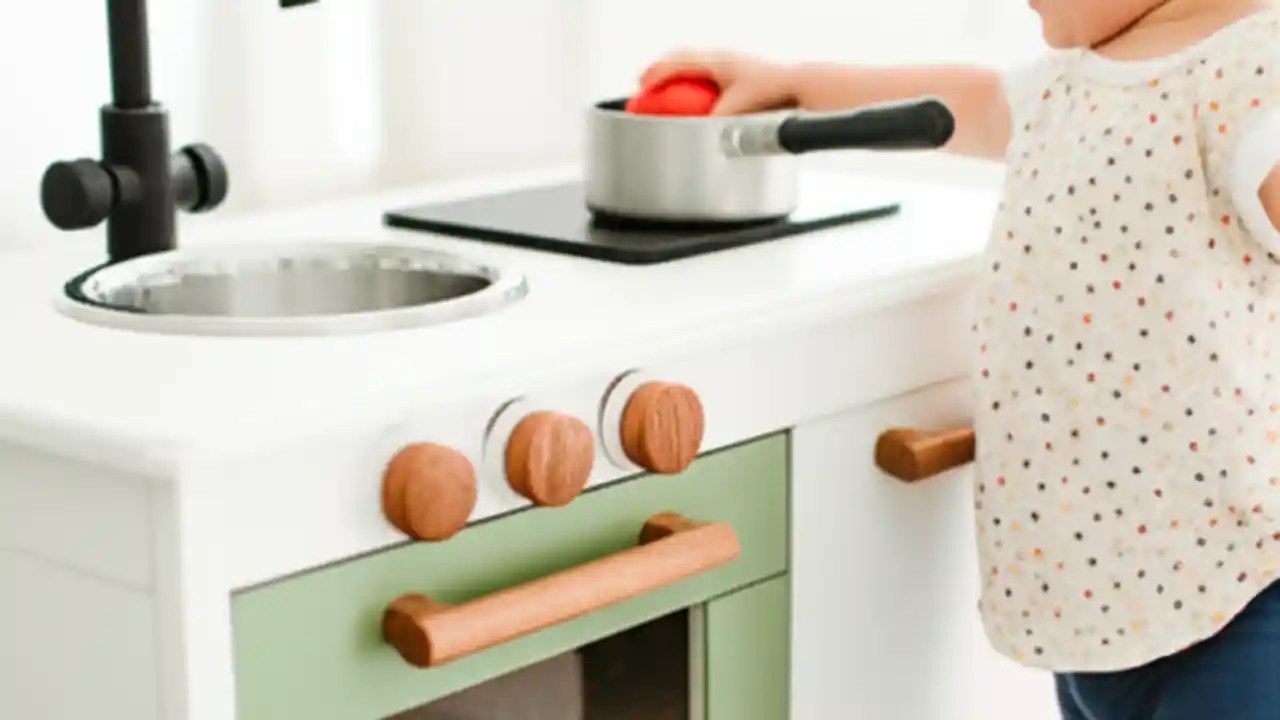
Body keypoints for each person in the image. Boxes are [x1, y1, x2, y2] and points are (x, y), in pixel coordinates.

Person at [639, 1, 1280, 718]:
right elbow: (960, 103)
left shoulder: (1254, 80)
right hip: (1093, 612)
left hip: (1239, 600)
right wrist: (794, 84)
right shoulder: (1071, 85)